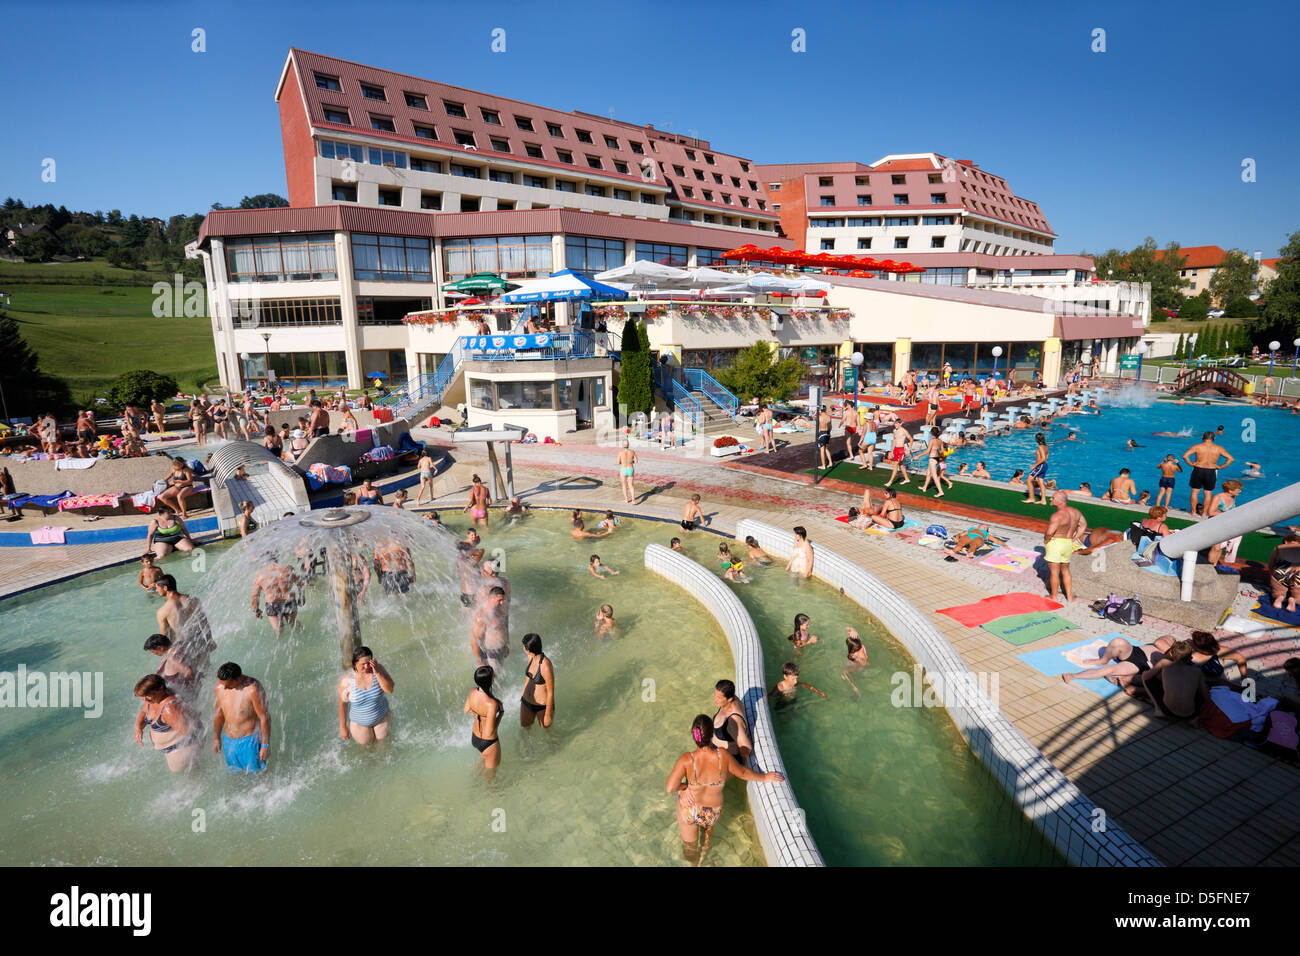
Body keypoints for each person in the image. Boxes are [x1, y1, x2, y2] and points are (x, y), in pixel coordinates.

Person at [665, 715, 783, 864]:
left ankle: (694, 862)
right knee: (706, 833)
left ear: (694, 735)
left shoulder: (687, 759)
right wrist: (765, 777)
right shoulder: (723, 755)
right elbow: (743, 772)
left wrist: (683, 788)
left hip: (690, 809)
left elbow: (670, 787)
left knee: (690, 847)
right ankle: (704, 854)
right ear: (712, 734)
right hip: (712, 813)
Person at [134, 674, 201, 772]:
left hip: (182, 749)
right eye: (143, 696)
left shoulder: (169, 708)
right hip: (172, 750)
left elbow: (189, 731)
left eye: (147, 695)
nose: (144, 699)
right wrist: (138, 727)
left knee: (187, 782)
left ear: (160, 689)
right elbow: (144, 712)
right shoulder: (152, 699)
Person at [212, 662, 270, 774]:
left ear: (238, 678)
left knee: (258, 777)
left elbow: (264, 717)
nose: (224, 688)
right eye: (222, 684)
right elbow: (219, 714)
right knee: (235, 775)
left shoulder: (252, 689)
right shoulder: (220, 688)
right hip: (229, 742)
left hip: (249, 742)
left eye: (228, 685)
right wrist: (216, 738)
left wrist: (265, 745)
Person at [337, 646, 394, 745]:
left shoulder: (378, 669)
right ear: (355, 663)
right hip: (359, 724)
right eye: (363, 664)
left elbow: (389, 689)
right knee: (366, 751)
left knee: (383, 748)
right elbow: (342, 704)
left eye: (369, 663)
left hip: (382, 718)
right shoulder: (347, 681)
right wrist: (343, 727)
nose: (367, 666)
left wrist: (377, 672)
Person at [1061, 636, 1155, 695]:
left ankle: (1073, 676)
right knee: (1118, 641)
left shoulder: (1166, 663)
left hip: (1141, 666)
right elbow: (1159, 642)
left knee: (1108, 670)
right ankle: (1103, 660)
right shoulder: (1166, 643)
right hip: (1137, 652)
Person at [1139, 640, 1208, 720]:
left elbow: (1147, 677)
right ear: (1190, 657)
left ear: (1171, 654)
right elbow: (1205, 695)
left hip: (1167, 710)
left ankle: (1159, 710)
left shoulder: (1164, 663)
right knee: (1200, 692)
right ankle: (1195, 718)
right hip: (1189, 714)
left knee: (1146, 677)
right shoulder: (1197, 671)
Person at [1043, 490, 1086, 602]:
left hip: (1056, 542)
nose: (1050, 499)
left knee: (1054, 572)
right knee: (1066, 570)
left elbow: (1049, 532)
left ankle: (1054, 596)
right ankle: (1069, 597)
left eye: (1052, 498)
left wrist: (1046, 540)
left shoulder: (1057, 515)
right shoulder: (1076, 512)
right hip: (1067, 543)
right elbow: (1083, 525)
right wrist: (1075, 537)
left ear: (1061, 501)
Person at [1183, 431, 1234, 517]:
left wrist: (1191, 464)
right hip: (1211, 471)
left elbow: (1185, 456)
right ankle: (1204, 513)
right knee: (1208, 493)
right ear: (1214, 438)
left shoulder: (1197, 446)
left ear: (1203, 438)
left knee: (1195, 492)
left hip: (1198, 469)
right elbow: (1231, 459)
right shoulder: (1219, 448)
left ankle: (1194, 512)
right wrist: (1221, 467)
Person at [464, 665, 504, 773]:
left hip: (475, 738)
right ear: (490, 681)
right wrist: (501, 714)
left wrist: (479, 711)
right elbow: (490, 732)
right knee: (491, 777)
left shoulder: (472, 692)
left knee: (483, 761)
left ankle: (473, 784)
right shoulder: (492, 704)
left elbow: (466, 710)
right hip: (488, 742)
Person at [251, 553, 301, 635]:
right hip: (288, 601)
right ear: (277, 559)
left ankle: (280, 644)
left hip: (272, 604)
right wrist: (302, 597)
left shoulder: (261, 576)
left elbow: (255, 596)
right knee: (294, 625)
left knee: (278, 631)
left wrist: (256, 610)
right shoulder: (288, 569)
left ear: (265, 562)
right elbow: (300, 583)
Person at [711, 679, 752, 764]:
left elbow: (746, 750)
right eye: (715, 695)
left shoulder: (733, 721)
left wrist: (715, 740)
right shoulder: (733, 699)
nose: (715, 699)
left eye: (718, 697)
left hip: (726, 760)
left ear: (729, 699)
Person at [519, 633, 554, 729]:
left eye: (524, 646)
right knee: (525, 729)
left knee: (547, 734)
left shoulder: (545, 665)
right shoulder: (530, 657)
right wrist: (522, 695)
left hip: (542, 706)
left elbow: (550, 692)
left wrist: (547, 714)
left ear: (528, 649)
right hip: (526, 702)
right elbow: (528, 678)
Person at [1205, 480, 1244, 567]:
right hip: (1215, 524)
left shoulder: (1233, 497)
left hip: (1225, 525)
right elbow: (1211, 512)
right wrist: (1228, 515)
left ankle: (1214, 566)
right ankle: (1209, 566)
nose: (1240, 491)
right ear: (1230, 490)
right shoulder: (1217, 497)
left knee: (1220, 548)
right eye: (1238, 489)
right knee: (1216, 548)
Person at [472, 586, 510, 669]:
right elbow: (474, 640)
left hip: (501, 650)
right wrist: (479, 661)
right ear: (491, 599)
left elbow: (506, 628)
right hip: (490, 654)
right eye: (499, 600)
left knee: (500, 677)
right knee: (492, 679)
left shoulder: (502, 611)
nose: (502, 603)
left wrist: (507, 645)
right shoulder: (482, 616)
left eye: (503, 600)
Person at [1266, 534, 1300, 612]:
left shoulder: (1278, 548)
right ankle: (1294, 600)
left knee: (1278, 591)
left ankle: (1279, 597)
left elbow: (1271, 564)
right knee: (1298, 594)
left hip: (1280, 573)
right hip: (1298, 575)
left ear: (1285, 541)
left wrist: (1272, 574)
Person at [841, 628, 871, 700]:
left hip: (860, 664)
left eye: (855, 651)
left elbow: (866, 663)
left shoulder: (860, 655)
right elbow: (847, 628)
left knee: (844, 674)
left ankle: (856, 690)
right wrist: (852, 630)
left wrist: (857, 664)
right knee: (847, 671)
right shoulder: (858, 643)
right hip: (857, 662)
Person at [919, 427, 947, 498]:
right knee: (928, 473)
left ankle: (940, 491)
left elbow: (927, 451)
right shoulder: (940, 441)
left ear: (932, 433)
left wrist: (918, 456)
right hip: (937, 459)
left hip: (932, 459)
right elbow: (943, 452)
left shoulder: (932, 441)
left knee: (934, 476)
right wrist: (942, 459)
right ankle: (924, 487)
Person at [1023, 432, 1050, 506]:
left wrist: (1034, 465)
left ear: (1036, 439)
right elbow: (1046, 457)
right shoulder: (1046, 447)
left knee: (1028, 480)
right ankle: (1043, 500)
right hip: (1044, 465)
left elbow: (1043, 458)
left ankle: (1031, 498)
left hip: (1040, 466)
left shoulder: (1040, 447)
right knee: (1040, 482)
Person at [884, 421, 911, 487]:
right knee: (901, 465)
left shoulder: (904, 431)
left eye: (897, 423)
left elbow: (911, 439)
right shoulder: (894, 431)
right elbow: (894, 440)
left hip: (901, 450)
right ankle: (907, 479)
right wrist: (893, 450)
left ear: (900, 423)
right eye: (895, 423)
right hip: (896, 449)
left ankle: (890, 482)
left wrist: (909, 449)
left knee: (895, 465)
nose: (895, 425)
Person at [815, 404, 833, 471]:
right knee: (826, 448)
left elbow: (816, 426)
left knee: (822, 450)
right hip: (828, 433)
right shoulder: (829, 417)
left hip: (822, 433)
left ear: (820, 410)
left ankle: (823, 465)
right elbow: (831, 427)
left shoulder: (819, 417)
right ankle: (830, 462)